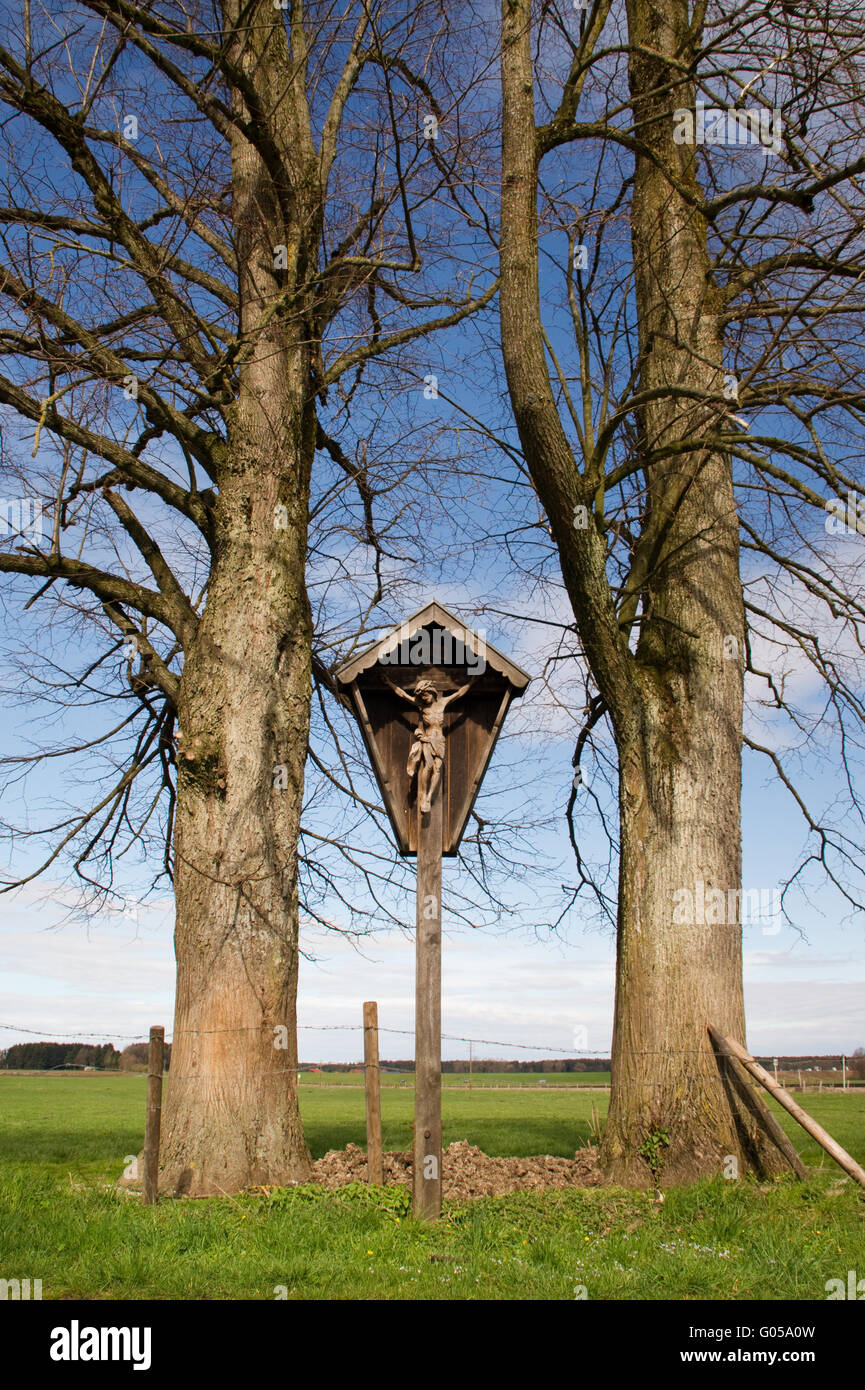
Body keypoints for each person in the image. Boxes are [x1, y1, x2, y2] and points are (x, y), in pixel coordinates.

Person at [386, 675, 473, 813]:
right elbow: (403, 695)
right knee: (428, 766)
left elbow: (460, 693)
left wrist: (473, 681)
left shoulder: (443, 702)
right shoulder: (421, 706)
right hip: (428, 739)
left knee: (437, 768)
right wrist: (389, 682)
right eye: (423, 697)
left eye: (426, 695)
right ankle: (423, 795)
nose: (425, 698)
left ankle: (429, 796)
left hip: (440, 740)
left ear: (432, 692)